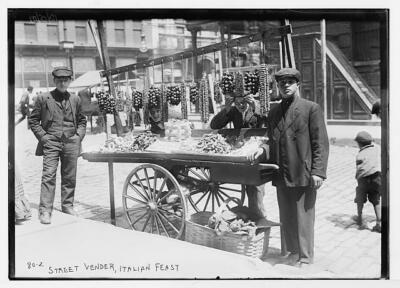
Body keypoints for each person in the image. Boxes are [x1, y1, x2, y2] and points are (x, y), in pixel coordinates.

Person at [257, 67, 329, 267]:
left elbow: (320, 143)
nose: (285, 86)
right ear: (278, 87)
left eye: (290, 82)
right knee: (287, 215)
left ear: (298, 84)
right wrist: (261, 150)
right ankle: (292, 251)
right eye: (282, 83)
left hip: (303, 172)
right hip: (281, 173)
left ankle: (305, 257)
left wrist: (318, 172)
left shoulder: (310, 108)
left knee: (304, 217)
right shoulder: (274, 111)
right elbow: (270, 140)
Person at [29, 66, 87, 224]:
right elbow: (33, 121)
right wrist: (44, 137)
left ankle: (67, 205)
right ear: (54, 81)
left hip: (71, 142)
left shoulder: (75, 99)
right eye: (59, 80)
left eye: (65, 80)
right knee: (48, 175)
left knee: (69, 177)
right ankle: (45, 210)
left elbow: (82, 120)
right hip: (51, 141)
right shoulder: (43, 98)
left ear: (70, 81)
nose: (63, 83)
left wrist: (78, 136)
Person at [210, 90, 267, 219]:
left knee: (255, 187)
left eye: (243, 103)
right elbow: (214, 125)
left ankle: (260, 217)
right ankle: (252, 216)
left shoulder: (256, 107)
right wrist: (227, 109)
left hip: (256, 150)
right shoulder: (234, 110)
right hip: (240, 151)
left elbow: (268, 120)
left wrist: (255, 107)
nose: (241, 105)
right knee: (249, 185)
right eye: (237, 103)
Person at [353, 131, 381, 233]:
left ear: (359, 144)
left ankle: (360, 219)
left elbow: (360, 170)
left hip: (364, 180)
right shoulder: (376, 148)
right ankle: (379, 223)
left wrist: (357, 178)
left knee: (360, 198)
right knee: (376, 199)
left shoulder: (360, 155)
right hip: (377, 178)